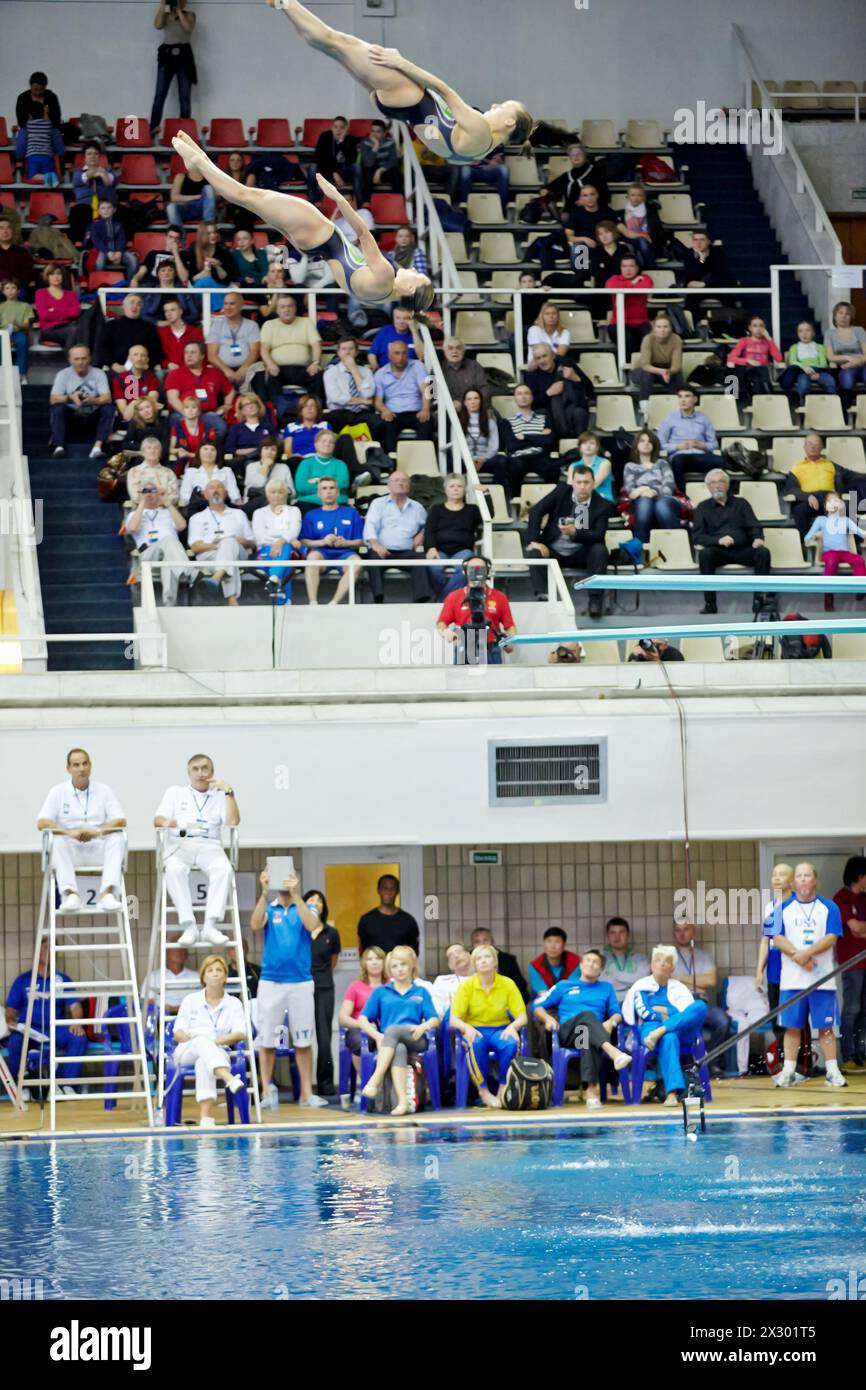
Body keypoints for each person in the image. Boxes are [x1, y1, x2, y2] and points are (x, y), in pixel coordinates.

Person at [171, 131, 433, 311]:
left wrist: (338, 199)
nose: (415, 270)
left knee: (248, 195)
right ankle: (198, 161)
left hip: (320, 232)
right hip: (314, 244)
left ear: (410, 289)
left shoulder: (386, 276)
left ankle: (199, 163)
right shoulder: (381, 298)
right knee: (249, 199)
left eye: (418, 276)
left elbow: (363, 234)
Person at [270, 0, 533, 166]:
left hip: (409, 96)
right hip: (397, 109)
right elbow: (434, 134)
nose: (496, 104)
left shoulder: (480, 128)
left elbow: (444, 90)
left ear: (510, 122)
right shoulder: (477, 154)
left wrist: (401, 63)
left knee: (339, 42)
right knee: (332, 49)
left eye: (504, 106)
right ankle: (285, 6)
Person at [250, 865, 329, 1109]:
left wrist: (296, 895)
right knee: (267, 1039)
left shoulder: (308, 907)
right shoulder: (270, 906)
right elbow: (254, 924)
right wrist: (263, 893)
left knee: (303, 1040)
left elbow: (311, 925)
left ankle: (306, 1093)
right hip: (271, 982)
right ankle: (266, 1092)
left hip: (301, 982)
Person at [766, 862, 847, 1089]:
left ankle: (832, 1071)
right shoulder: (779, 910)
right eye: (799, 876)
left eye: (807, 875)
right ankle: (789, 1071)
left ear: (815, 880)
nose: (803, 879)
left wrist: (807, 953)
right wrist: (798, 956)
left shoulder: (829, 907)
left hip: (822, 980)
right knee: (791, 1027)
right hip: (792, 981)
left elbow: (832, 936)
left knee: (826, 1027)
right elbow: (777, 938)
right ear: (794, 882)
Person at [154, 753, 238, 948]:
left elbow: (233, 822)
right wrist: (167, 822)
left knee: (224, 869)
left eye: (205, 768)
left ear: (212, 772)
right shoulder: (174, 792)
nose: (200, 773)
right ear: (189, 773)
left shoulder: (220, 795)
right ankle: (189, 926)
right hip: (180, 843)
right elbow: (158, 819)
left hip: (210, 845)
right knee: (174, 869)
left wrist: (229, 793)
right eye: (196, 769)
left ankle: (210, 926)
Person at [533, 949, 630, 1107]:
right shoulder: (564, 985)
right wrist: (548, 1018)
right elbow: (537, 1007)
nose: (591, 964)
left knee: (586, 1036)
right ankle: (612, 1051)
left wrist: (610, 1022)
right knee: (587, 1015)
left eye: (596, 962)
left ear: (600, 970)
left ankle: (591, 1092)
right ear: (581, 965)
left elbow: (617, 1014)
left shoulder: (606, 988)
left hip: (589, 1036)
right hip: (567, 1033)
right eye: (588, 960)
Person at [36, 748, 126, 913]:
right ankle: (71, 894)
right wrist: (68, 832)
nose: (81, 768)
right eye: (76, 765)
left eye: (85, 764)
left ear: (90, 766)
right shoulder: (58, 791)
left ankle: (107, 894)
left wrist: (97, 831)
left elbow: (120, 819)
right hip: (71, 850)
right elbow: (42, 822)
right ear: (68, 768)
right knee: (56, 840)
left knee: (117, 838)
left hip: (97, 847)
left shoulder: (104, 790)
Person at [622, 946, 709, 1104]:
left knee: (701, 1005)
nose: (662, 964)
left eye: (667, 961)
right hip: (650, 1030)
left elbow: (686, 1014)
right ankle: (671, 1094)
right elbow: (644, 1012)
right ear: (651, 965)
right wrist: (667, 1013)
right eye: (658, 960)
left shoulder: (679, 988)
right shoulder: (641, 987)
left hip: (675, 1031)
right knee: (669, 1038)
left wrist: (664, 1013)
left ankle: (662, 1031)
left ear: (672, 968)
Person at [359, 945, 439, 1114]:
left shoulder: (421, 991)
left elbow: (434, 1019)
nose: (399, 969)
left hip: (415, 1037)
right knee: (399, 1048)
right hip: (389, 1042)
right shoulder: (381, 992)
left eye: (403, 964)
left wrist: (424, 1026)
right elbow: (362, 1019)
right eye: (394, 966)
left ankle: (374, 1080)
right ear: (389, 970)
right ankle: (402, 1103)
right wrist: (377, 1036)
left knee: (393, 1030)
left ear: (412, 966)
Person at [5, 940, 87, 1098]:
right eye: (46, 947)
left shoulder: (62, 980)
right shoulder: (23, 980)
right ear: (38, 953)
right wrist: (11, 1022)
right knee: (15, 1040)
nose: (50, 951)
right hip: (30, 1029)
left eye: (53, 948)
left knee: (79, 1038)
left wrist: (76, 1022)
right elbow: (10, 1010)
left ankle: (66, 1085)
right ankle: (22, 1085)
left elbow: (75, 1007)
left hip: (55, 1028)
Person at [171, 955, 246, 1126]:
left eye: (219, 970)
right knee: (200, 1041)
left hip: (219, 1049)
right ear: (203, 977)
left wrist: (215, 1042)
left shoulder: (234, 1003)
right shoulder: (190, 1000)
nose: (214, 974)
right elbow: (178, 1032)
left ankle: (205, 1117)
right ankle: (228, 1078)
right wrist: (190, 1038)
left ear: (225, 977)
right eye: (210, 970)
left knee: (203, 1061)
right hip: (187, 1050)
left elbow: (241, 1033)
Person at [525, 465, 612, 614]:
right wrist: (535, 541)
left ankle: (596, 601)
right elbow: (536, 510)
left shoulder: (602, 505)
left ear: (593, 483)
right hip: (554, 549)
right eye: (579, 482)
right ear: (572, 482)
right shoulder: (561, 492)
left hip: (581, 552)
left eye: (587, 482)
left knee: (599, 550)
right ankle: (543, 597)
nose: (582, 487)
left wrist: (575, 533)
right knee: (534, 551)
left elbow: (598, 535)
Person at [449, 943, 527, 1108]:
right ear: (474, 964)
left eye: (487, 957)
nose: (483, 961)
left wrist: (512, 1027)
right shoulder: (466, 986)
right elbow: (454, 1020)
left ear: (495, 961)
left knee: (510, 1044)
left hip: (501, 1028)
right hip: (476, 1029)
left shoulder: (508, 984)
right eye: (478, 958)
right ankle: (483, 1091)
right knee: (475, 1044)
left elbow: (522, 1017)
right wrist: (467, 1028)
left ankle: (503, 1088)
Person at [692, 468, 771, 615]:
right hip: (719, 551)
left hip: (742, 549)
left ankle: (759, 601)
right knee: (705, 555)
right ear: (708, 487)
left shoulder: (741, 503)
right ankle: (710, 604)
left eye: (721, 481)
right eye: (713, 483)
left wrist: (758, 538)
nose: (717, 486)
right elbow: (697, 536)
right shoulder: (702, 508)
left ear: (727, 485)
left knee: (763, 553)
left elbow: (754, 525)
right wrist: (718, 540)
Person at [671, 920, 731, 1077]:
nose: (682, 933)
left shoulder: (703, 956)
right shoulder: (669, 956)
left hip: (701, 1004)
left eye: (686, 929)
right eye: (678, 930)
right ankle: (683, 1067)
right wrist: (697, 982)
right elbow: (666, 980)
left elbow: (711, 981)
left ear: (693, 932)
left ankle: (711, 1062)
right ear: (673, 932)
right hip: (678, 1006)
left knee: (723, 1021)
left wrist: (679, 978)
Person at [436, 554, 517, 665]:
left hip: (491, 649)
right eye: (472, 568)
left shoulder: (499, 597)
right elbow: (441, 623)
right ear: (466, 571)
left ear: (487, 572)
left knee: (495, 682)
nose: (476, 572)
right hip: (464, 648)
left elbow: (510, 626)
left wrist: (509, 642)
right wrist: (446, 632)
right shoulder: (454, 596)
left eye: (481, 569)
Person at [363, 469, 430, 602]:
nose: (400, 483)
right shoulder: (378, 503)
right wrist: (376, 545)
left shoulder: (417, 507)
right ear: (388, 485)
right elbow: (370, 525)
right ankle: (378, 599)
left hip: (406, 551)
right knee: (373, 558)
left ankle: (421, 599)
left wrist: (422, 534)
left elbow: (427, 526)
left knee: (420, 559)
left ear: (409, 486)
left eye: (404, 480)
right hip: (382, 550)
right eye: (396, 480)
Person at [186, 480, 255, 604]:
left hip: (239, 554)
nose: (216, 490)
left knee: (230, 542)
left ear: (226, 493)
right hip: (209, 557)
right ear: (205, 494)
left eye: (220, 487)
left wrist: (235, 542)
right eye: (211, 488)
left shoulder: (239, 514)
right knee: (228, 549)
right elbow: (195, 547)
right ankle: (232, 599)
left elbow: (252, 543)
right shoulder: (196, 518)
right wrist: (220, 546)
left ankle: (217, 576)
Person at [297, 475, 364, 604]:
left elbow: (360, 541)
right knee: (312, 558)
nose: (328, 491)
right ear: (319, 493)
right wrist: (322, 541)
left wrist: (346, 542)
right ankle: (313, 602)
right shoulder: (311, 515)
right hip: (322, 553)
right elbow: (304, 541)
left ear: (338, 492)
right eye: (324, 488)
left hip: (345, 553)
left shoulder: (351, 512)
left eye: (332, 488)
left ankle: (334, 602)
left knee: (357, 562)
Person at [754, 863, 794, 1069]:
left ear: (792, 880)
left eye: (782, 875)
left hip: (794, 962)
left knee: (796, 1013)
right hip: (774, 962)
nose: (777, 878)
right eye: (774, 874)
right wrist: (759, 970)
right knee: (775, 1011)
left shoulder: (798, 904)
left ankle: (801, 1061)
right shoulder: (770, 907)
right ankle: (782, 1058)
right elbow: (765, 940)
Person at [259, 294, 323, 421]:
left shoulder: (306, 322)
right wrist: (270, 364)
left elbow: (316, 345)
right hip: (278, 369)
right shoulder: (269, 325)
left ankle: (313, 413)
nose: (286, 309)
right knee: (269, 378)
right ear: (277, 310)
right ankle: (280, 415)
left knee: (318, 376)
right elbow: (264, 350)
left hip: (303, 368)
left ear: (295, 308)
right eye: (282, 307)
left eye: (290, 306)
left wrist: (315, 362)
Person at [126, 482, 188, 606]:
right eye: (145, 491)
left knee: (169, 562)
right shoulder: (134, 514)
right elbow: (132, 528)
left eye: (152, 491)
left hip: (170, 555)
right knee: (168, 539)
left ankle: (169, 605)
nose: (149, 494)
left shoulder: (167, 512)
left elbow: (182, 526)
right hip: (148, 554)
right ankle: (190, 572)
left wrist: (167, 502)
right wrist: (142, 502)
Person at [48, 345, 114, 458]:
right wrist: (70, 397)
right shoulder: (63, 374)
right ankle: (58, 447)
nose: (80, 362)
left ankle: (97, 447)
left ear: (89, 359)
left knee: (109, 408)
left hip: (90, 412)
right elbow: (53, 398)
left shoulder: (98, 373)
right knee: (57, 407)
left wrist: (94, 400)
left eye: (84, 358)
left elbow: (107, 398)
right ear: (70, 360)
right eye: (76, 359)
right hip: (71, 415)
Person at [306, 888, 341, 1096]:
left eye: (320, 900)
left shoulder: (331, 933)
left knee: (324, 1035)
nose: (316, 902)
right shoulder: (299, 930)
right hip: (300, 986)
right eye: (311, 899)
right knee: (298, 1036)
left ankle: (325, 1084)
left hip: (324, 987)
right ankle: (301, 1086)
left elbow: (332, 962)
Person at [804, 492, 866, 611]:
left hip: (844, 552)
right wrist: (815, 536)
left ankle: (861, 589)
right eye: (830, 501)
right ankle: (828, 596)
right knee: (831, 563)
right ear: (825, 506)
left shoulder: (846, 520)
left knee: (859, 560)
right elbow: (807, 538)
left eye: (836, 501)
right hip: (829, 552)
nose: (834, 503)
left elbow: (860, 532)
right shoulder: (820, 520)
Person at [424, 472, 482, 598]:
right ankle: (448, 599)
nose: (456, 489)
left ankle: (443, 601)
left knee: (467, 568)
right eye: (452, 486)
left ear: (464, 489)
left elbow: (490, 516)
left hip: (463, 551)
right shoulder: (436, 509)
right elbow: (429, 530)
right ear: (445, 490)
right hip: (440, 551)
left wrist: (486, 493)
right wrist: (431, 547)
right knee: (433, 568)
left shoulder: (472, 509)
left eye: (459, 486)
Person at [657, 386, 725, 493]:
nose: (683, 400)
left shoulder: (703, 419)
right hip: (680, 457)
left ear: (695, 399)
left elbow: (714, 444)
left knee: (721, 461)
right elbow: (660, 444)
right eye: (680, 397)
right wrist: (678, 447)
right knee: (678, 460)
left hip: (700, 456)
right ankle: (682, 496)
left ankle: (723, 498)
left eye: (687, 396)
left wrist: (701, 445)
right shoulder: (670, 419)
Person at [338, 946, 387, 1094]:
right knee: (360, 1043)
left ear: (384, 962)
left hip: (385, 1029)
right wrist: (362, 1024)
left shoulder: (391, 985)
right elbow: (343, 1017)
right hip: (360, 1029)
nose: (374, 962)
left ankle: (385, 1087)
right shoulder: (355, 986)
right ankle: (366, 1084)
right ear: (364, 963)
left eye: (378, 958)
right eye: (370, 959)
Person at [833, 856, 866, 1071]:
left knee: (865, 1008)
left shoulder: (865, 898)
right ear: (859, 875)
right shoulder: (841, 898)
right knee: (852, 1007)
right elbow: (854, 927)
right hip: (851, 962)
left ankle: (861, 1052)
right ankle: (847, 1054)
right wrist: (859, 929)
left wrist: (860, 929)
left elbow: (859, 928)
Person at [165, 339, 234, 441]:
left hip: (207, 414)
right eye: (186, 353)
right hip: (182, 413)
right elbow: (172, 398)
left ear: (202, 356)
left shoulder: (214, 373)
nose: (188, 355)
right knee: (176, 421)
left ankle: (204, 448)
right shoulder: (176, 373)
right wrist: (188, 414)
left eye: (193, 352)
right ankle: (190, 449)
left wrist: (227, 405)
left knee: (221, 427)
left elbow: (230, 391)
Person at [522, 344, 593, 441]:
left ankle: (580, 448)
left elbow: (590, 390)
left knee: (579, 412)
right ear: (535, 361)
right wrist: (548, 393)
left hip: (573, 410)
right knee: (543, 415)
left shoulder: (567, 365)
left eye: (544, 356)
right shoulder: (532, 376)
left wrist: (575, 378)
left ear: (553, 355)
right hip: (550, 416)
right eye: (538, 358)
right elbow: (531, 404)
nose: (542, 361)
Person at [499, 383, 558, 496]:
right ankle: (517, 501)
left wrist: (525, 436)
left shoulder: (544, 418)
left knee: (553, 469)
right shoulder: (507, 421)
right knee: (515, 468)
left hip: (539, 456)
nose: (523, 396)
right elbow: (512, 445)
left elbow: (549, 441)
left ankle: (551, 504)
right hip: (518, 457)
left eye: (526, 393)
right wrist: (539, 436)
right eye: (519, 394)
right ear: (515, 398)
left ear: (532, 397)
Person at [622, 429, 682, 541]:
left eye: (649, 441)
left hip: (665, 499)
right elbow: (631, 491)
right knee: (645, 502)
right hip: (641, 501)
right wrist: (645, 490)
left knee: (661, 505)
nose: (646, 443)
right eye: (642, 441)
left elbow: (668, 487)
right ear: (636, 445)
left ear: (654, 445)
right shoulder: (630, 466)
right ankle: (640, 548)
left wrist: (653, 491)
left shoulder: (662, 463)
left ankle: (676, 543)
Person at [150, 0, 197, 135]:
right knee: (159, 95)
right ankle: (153, 129)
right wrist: (162, 5)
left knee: (184, 97)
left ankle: (184, 132)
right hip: (167, 56)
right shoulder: (165, 15)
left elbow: (188, 28)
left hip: (184, 56)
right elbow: (157, 25)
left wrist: (179, 12)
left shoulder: (190, 15)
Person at [253, 477, 303, 601]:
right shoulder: (259, 513)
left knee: (285, 549)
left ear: (286, 494)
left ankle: (274, 578)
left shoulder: (294, 511)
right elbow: (260, 537)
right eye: (273, 492)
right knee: (286, 563)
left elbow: (294, 531)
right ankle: (285, 601)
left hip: (287, 551)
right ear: (267, 494)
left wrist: (281, 541)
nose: (276, 495)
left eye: (280, 492)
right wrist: (283, 539)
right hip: (265, 552)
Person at [787, 432, 842, 541]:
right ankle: (807, 544)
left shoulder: (831, 465)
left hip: (828, 498)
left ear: (822, 447)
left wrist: (837, 496)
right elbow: (792, 489)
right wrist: (808, 497)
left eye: (816, 443)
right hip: (810, 500)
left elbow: (841, 487)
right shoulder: (797, 467)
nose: (813, 446)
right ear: (804, 447)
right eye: (809, 443)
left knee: (849, 506)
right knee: (799, 509)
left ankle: (847, 544)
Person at [323, 336, 380, 439]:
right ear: (338, 352)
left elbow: (368, 394)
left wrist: (354, 369)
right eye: (344, 349)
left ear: (356, 352)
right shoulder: (330, 373)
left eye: (351, 349)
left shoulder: (366, 372)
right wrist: (362, 400)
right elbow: (335, 398)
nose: (347, 352)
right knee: (327, 422)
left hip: (361, 412)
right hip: (339, 412)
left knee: (378, 423)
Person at [205, 292, 260, 392]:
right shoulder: (216, 325)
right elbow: (211, 356)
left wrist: (243, 369)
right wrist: (227, 371)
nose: (228, 307)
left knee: (259, 370)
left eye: (232, 304)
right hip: (222, 369)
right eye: (226, 304)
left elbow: (254, 352)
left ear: (241, 306)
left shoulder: (252, 325)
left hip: (246, 369)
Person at [99, 294, 164, 378]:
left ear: (141, 308)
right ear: (124, 306)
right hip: (117, 369)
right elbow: (103, 348)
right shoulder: (111, 326)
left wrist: (146, 364)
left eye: (138, 304)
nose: (135, 306)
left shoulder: (149, 327)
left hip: (143, 369)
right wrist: (113, 365)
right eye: (132, 303)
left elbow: (156, 351)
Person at [357, 874, 420, 955]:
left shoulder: (408, 921)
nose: (388, 892)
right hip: (375, 967)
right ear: (378, 890)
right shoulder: (366, 920)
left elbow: (414, 952)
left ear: (397, 891)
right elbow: (362, 952)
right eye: (385, 888)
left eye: (392, 889)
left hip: (399, 967)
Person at [69, 142, 119, 245]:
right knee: (77, 211)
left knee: (121, 211)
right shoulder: (77, 173)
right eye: (89, 154)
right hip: (86, 206)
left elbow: (109, 182)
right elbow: (85, 177)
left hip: (105, 205)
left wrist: (103, 173)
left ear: (100, 156)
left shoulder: (108, 171)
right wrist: (95, 171)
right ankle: (78, 243)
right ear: (84, 157)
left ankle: (121, 244)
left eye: (96, 153)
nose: (92, 156)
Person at [726, 316, 783, 404]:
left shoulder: (767, 342)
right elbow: (731, 358)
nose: (758, 329)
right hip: (748, 371)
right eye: (755, 326)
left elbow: (779, 359)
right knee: (757, 376)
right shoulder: (744, 341)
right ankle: (768, 397)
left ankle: (760, 400)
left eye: (761, 326)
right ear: (750, 328)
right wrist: (747, 360)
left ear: (764, 328)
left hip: (762, 373)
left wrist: (770, 339)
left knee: (761, 372)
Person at [605, 255, 653, 357]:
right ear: (620, 268)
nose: (628, 269)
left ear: (637, 268)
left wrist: (627, 286)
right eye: (624, 266)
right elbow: (610, 286)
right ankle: (628, 369)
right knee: (627, 339)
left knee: (651, 340)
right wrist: (633, 283)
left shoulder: (645, 278)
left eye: (631, 266)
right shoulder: (614, 279)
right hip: (618, 323)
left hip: (641, 323)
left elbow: (645, 286)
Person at [779, 321, 836, 406]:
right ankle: (804, 404)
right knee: (803, 383)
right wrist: (803, 367)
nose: (804, 334)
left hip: (819, 371)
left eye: (807, 330)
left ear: (812, 333)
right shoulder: (794, 347)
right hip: (802, 371)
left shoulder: (819, 347)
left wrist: (815, 373)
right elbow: (793, 362)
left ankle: (830, 405)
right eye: (801, 331)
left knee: (830, 381)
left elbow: (823, 363)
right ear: (798, 334)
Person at [469, 926, 529, 1001]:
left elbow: (520, 986)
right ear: (472, 945)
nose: (482, 944)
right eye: (477, 942)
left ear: (492, 942)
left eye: (485, 940)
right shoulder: (468, 959)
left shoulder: (507, 960)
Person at [631, 314, 684, 398]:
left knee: (677, 375)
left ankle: (677, 403)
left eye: (665, 327)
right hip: (644, 370)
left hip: (666, 369)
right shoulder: (648, 339)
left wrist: (667, 372)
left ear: (670, 328)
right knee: (647, 375)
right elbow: (645, 365)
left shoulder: (676, 339)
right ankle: (644, 405)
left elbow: (676, 366)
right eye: (659, 327)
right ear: (654, 328)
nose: (662, 330)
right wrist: (662, 371)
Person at [543, 141, 609, 209]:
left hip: (591, 210)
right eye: (573, 155)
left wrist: (587, 201)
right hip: (571, 211)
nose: (576, 157)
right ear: (570, 157)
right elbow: (550, 187)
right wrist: (544, 190)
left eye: (579, 154)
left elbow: (605, 196)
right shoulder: (567, 176)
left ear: (584, 155)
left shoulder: (595, 173)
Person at [292, 431, 351, 506]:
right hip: (309, 503)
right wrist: (331, 485)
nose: (327, 444)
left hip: (337, 503)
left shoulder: (340, 464)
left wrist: (318, 481)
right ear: (316, 444)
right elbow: (301, 487)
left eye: (331, 442)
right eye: (323, 441)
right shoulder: (305, 463)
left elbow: (343, 485)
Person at [601, 917, 651, 1005]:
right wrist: (630, 983)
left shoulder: (641, 959)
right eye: (613, 932)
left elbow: (642, 980)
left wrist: (612, 975)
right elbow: (595, 982)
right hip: (606, 1003)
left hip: (634, 1003)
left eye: (621, 932)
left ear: (627, 935)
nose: (617, 937)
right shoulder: (598, 958)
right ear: (608, 936)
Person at [825, 301, 866, 406]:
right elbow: (830, 357)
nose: (843, 316)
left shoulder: (859, 331)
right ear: (835, 315)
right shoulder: (830, 333)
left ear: (851, 317)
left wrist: (857, 361)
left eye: (847, 314)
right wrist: (848, 358)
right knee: (846, 378)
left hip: (862, 364)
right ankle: (847, 416)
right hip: (844, 367)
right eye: (840, 313)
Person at [85, 199, 137, 282]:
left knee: (132, 260)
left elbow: (121, 240)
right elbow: (97, 242)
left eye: (109, 208)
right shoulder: (94, 225)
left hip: (117, 251)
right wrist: (108, 252)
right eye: (103, 208)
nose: (106, 210)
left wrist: (119, 252)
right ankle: (99, 286)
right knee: (99, 263)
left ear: (114, 210)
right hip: (102, 251)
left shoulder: (119, 225)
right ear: (98, 211)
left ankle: (129, 285)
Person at [179, 441, 240, 509]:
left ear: (217, 454)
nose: (209, 452)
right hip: (198, 509)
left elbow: (235, 495)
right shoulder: (190, 472)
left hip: (223, 507)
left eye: (212, 450)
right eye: (205, 449)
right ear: (199, 452)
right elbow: (185, 497)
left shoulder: (226, 471)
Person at [110, 345, 161, 425]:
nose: (139, 358)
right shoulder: (119, 379)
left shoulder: (152, 377)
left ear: (147, 360)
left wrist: (135, 403)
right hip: (129, 419)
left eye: (142, 355)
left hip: (147, 416)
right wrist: (139, 401)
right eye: (135, 355)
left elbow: (151, 402)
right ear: (129, 358)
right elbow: (124, 412)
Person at [143, 946, 199, 1015]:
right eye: (176, 948)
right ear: (166, 953)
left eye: (184, 949)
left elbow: (200, 1003)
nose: (181, 951)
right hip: (161, 1020)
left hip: (189, 1018)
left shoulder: (196, 977)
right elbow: (148, 1004)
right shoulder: (153, 977)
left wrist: (174, 1009)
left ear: (187, 954)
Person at [616, 184, 662, 269]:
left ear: (644, 197)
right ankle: (651, 269)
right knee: (637, 245)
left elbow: (658, 230)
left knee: (642, 242)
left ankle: (651, 270)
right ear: (628, 197)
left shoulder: (651, 211)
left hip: (649, 242)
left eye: (639, 195)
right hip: (629, 241)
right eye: (633, 195)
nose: (636, 198)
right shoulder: (620, 214)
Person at [34, 265, 81, 348]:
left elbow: (76, 313)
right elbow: (43, 315)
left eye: (58, 273)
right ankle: (74, 360)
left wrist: (54, 310)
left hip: (68, 327)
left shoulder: (71, 294)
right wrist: (66, 312)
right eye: (52, 274)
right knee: (75, 332)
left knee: (77, 331)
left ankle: (74, 359)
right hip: (49, 330)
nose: (56, 277)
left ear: (63, 276)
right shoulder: (40, 293)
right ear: (47, 277)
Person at [527, 926, 580, 999]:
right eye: (549, 941)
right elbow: (543, 993)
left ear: (564, 945)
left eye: (557, 942)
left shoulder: (575, 961)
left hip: (569, 1001)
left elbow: (573, 990)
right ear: (544, 944)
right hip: (544, 1001)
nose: (553, 946)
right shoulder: (534, 966)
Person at [355, 119, 400, 203]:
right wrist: (376, 146)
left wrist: (379, 171)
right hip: (371, 170)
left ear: (384, 133)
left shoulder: (390, 142)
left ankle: (397, 202)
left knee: (395, 171)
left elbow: (393, 161)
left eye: (378, 131)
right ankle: (366, 203)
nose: (374, 134)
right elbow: (368, 163)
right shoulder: (364, 143)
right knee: (366, 171)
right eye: (373, 131)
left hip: (385, 170)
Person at [309, 116, 358, 193]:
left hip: (343, 171)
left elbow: (351, 160)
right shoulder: (325, 136)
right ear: (332, 128)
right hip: (327, 171)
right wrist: (334, 172)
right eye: (335, 127)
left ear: (346, 129)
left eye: (342, 127)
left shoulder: (350, 140)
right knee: (313, 167)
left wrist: (342, 142)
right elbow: (320, 158)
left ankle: (360, 202)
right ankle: (313, 200)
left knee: (357, 167)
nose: (338, 130)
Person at [454, 147, 510, 214]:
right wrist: (469, 161)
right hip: (474, 170)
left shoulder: (497, 140)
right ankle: (464, 205)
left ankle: (502, 207)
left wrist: (496, 161)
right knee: (465, 170)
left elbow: (501, 158)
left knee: (504, 169)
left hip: (491, 170)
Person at [14, 109, 64, 184]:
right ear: (43, 113)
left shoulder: (28, 126)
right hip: (47, 157)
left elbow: (20, 150)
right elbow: (59, 149)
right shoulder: (48, 125)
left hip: (33, 156)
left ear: (30, 115)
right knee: (48, 178)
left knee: (33, 176)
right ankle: (50, 176)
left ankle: (46, 177)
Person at [0, 277, 35, 383]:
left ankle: (22, 374)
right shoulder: (0, 306)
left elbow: (26, 325)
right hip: (3, 333)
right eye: (7, 288)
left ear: (18, 291)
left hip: (18, 331)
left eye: (13, 288)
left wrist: (16, 322)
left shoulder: (25, 306)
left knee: (22, 341)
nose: (10, 291)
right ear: (2, 291)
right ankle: (3, 374)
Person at [368, 305, 424, 371]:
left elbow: (422, 356)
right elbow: (372, 353)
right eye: (398, 318)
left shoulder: (416, 334)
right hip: (384, 372)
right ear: (393, 319)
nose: (401, 321)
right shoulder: (385, 331)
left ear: (411, 320)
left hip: (409, 373)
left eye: (405, 318)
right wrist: (376, 369)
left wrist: (414, 331)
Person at [282, 395, 334, 465]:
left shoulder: (325, 425)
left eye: (312, 406)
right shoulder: (290, 427)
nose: (309, 408)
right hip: (299, 461)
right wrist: (294, 456)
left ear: (317, 410)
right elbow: (288, 452)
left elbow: (330, 446)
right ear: (300, 410)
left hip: (320, 459)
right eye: (305, 406)